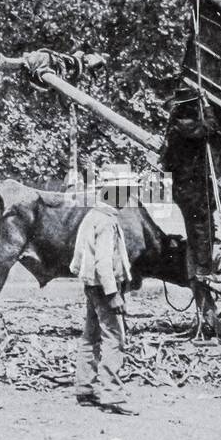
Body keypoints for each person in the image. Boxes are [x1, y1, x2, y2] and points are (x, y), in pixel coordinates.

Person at [71, 168, 133, 408]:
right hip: (104, 287)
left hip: (91, 284)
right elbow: (103, 262)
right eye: (125, 192)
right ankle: (112, 394)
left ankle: (84, 388)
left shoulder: (93, 216)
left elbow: (79, 256)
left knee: (91, 335)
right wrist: (113, 294)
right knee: (115, 338)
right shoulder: (106, 222)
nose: (128, 198)